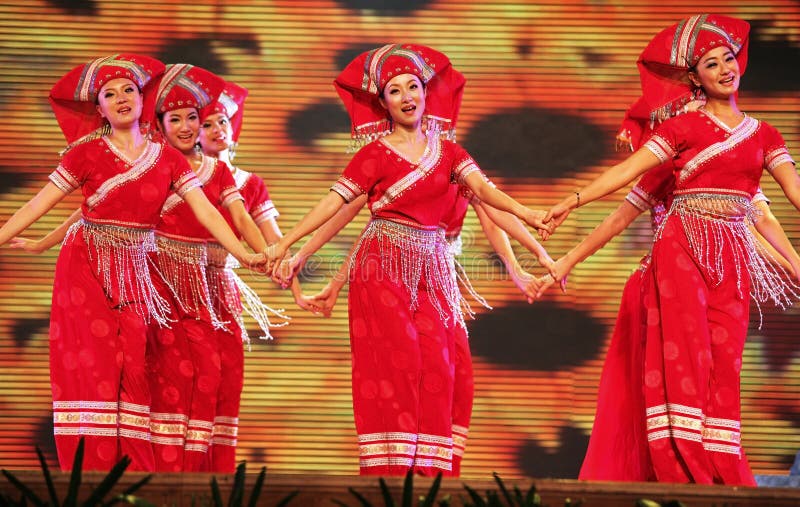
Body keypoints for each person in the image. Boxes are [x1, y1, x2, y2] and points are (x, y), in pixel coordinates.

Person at [265, 43, 550, 476]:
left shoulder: (450, 154)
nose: (406, 96)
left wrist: (529, 221)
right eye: (394, 90)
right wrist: (290, 245)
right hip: (382, 267)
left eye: (413, 86)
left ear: (426, 93)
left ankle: (430, 477)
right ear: (383, 103)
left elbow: (487, 197)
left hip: (433, 271)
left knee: (440, 367)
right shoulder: (373, 155)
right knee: (401, 362)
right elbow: (336, 208)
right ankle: (392, 475)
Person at [544, 15, 800, 485]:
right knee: (688, 359)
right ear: (694, 78)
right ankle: (682, 469)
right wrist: (570, 202)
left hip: (732, 259)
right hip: (681, 250)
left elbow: (777, 205)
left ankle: (722, 468)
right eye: (710, 63)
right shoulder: (683, 129)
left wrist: (796, 264)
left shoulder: (764, 135)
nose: (724, 68)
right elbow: (624, 181)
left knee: (726, 363)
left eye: (728, 58)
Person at [0, 54, 265, 471]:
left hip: (136, 268)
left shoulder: (168, 158)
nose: (122, 98)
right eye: (110, 94)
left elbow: (208, 214)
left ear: (143, 102)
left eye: (129, 90)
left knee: (136, 361)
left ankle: (135, 472)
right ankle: (93, 470)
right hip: (86, 263)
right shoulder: (85, 154)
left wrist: (245, 254)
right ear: (100, 109)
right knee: (99, 364)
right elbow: (39, 205)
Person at [148, 64, 275, 471]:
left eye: (196, 118)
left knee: (214, 377)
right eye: (179, 119)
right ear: (159, 125)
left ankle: (204, 478)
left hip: (212, 286)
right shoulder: (150, 165)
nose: (191, 127)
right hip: (159, 285)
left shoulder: (225, 175)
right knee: (171, 380)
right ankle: (164, 476)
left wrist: (274, 262)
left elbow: (244, 223)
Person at [197, 80, 317, 472]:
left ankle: (215, 478)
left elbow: (274, 242)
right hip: (176, 286)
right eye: (206, 124)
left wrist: (295, 290)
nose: (218, 129)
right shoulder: (181, 175)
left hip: (221, 288)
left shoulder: (249, 183)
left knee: (224, 381)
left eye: (222, 121)